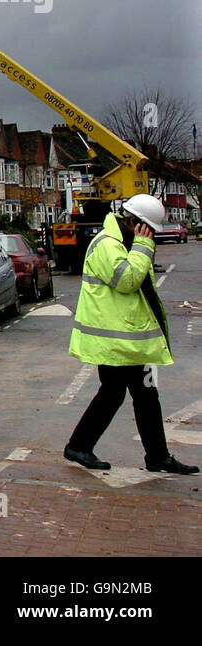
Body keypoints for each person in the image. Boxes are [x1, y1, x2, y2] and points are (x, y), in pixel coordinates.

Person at [65, 194, 198, 474]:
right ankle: (80, 446)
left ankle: (155, 457)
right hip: (115, 341)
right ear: (137, 224)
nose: (152, 236)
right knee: (118, 393)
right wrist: (142, 246)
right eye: (150, 229)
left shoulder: (127, 242)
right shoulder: (107, 245)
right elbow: (127, 281)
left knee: (143, 393)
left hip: (132, 340)